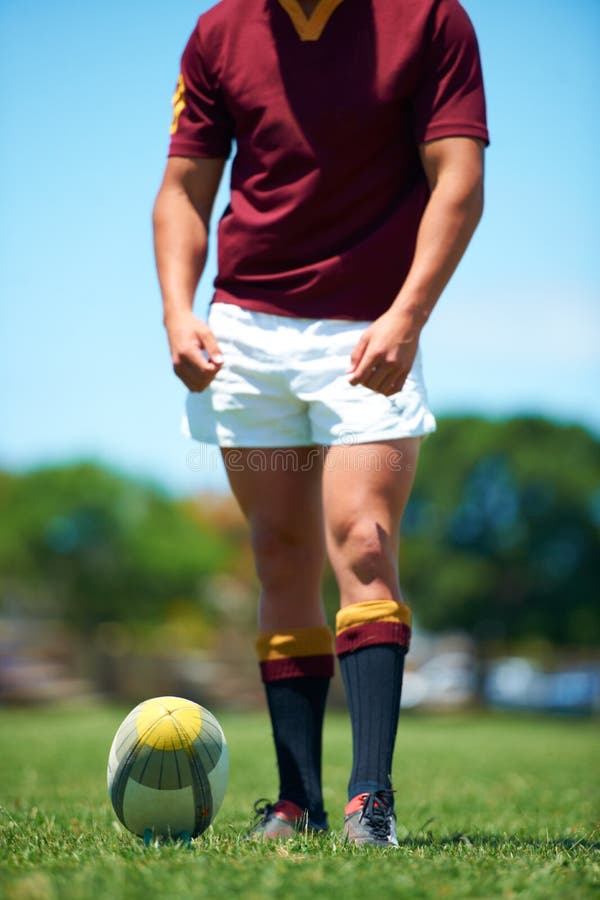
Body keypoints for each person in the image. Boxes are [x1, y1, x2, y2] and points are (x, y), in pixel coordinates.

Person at [153, 0, 488, 847]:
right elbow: (184, 190)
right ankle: (295, 801)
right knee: (281, 555)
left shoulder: (430, 19)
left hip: (368, 326)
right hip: (244, 335)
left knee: (366, 541)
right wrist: (176, 311)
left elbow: (459, 177)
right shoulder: (220, 31)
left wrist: (409, 316)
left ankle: (368, 801)